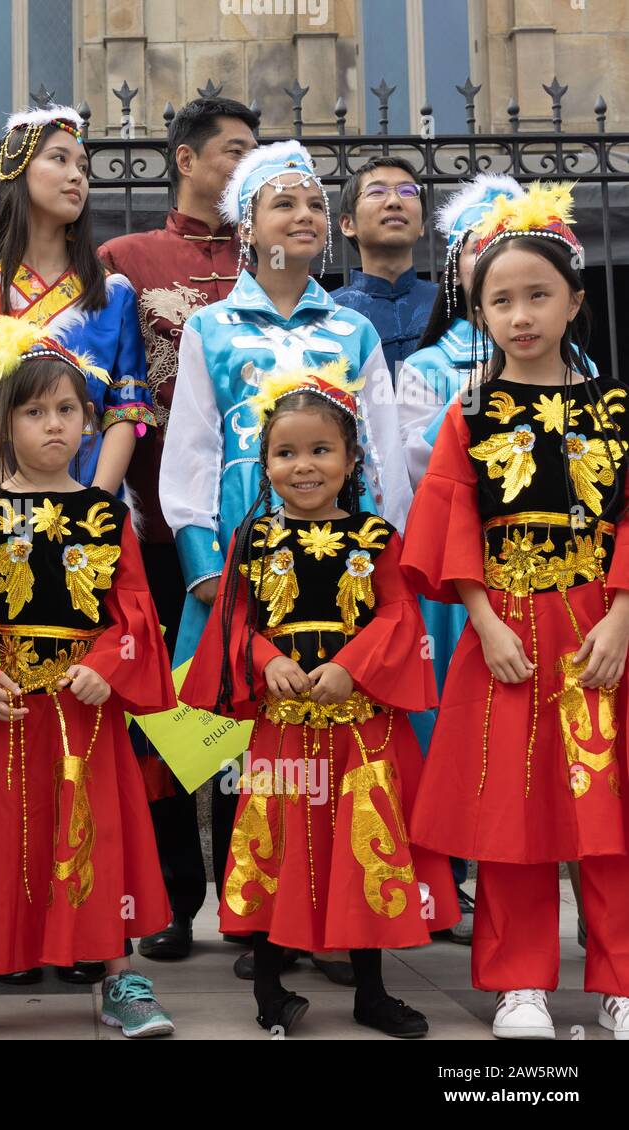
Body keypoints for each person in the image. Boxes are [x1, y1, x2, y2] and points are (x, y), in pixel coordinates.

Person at [158, 140, 413, 983]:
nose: (302, 216)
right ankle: (258, 915)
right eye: (282, 203)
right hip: (242, 557)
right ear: (247, 226)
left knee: (339, 737)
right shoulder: (210, 326)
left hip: (341, 569)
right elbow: (190, 445)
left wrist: (383, 561)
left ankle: (338, 908)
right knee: (237, 732)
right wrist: (204, 560)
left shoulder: (354, 328)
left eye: (312, 203)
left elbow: (380, 453)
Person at [403, 182, 629, 1041]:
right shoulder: (471, 412)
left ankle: (619, 979)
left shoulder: (618, 411)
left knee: (608, 823)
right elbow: (450, 516)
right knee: (511, 818)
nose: (521, 314)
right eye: (501, 299)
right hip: (507, 636)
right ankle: (519, 984)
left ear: (575, 300)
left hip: (601, 634)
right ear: (478, 311)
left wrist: (620, 618)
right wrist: (484, 618)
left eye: (539, 295)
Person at [0, 317, 175, 1039]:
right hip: (0, 716)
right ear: (1, 425)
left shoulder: (104, 515)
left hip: (86, 717)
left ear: (90, 421)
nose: (53, 425)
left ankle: (121, 980)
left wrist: (105, 665)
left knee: (100, 836)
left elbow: (137, 617)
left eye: (67, 410)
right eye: (33, 411)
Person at [182, 361, 458, 1037]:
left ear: (352, 457)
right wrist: (269, 659)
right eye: (285, 453)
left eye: (320, 450)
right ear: (264, 461)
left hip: (360, 733)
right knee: (278, 847)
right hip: (283, 733)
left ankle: (371, 989)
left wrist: (353, 667)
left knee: (363, 850)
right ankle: (270, 991)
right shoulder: (253, 540)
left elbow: (398, 617)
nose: (302, 467)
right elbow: (233, 625)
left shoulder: (375, 539)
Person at [97, 95, 258, 960]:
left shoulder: (269, 258)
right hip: (149, 526)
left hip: (247, 526)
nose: (246, 168)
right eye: (232, 152)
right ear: (185, 159)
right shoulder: (124, 260)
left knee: (240, 706)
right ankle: (167, 893)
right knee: (156, 709)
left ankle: (242, 889)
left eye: (255, 154)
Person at [397, 174, 525, 945]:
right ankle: (439, 879)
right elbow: (423, 477)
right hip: (461, 585)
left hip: (556, 584)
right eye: (484, 246)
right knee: (447, 732)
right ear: (460, 271)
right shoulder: (432, 370)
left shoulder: (582, 374)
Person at [0, 105, 155, 506]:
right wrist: (8, 494)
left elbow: (126, 409)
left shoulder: (113, 293)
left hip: (92, 491)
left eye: (83, 167)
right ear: (17, 170)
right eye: (59, 159)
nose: (76, 176)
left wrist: (96, 504)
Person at [331, 157, 438, 374]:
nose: (394, 202)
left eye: (408, 191)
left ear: (422, 226)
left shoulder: (451, 306)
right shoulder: (329, 312)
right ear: (348, 224)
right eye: (376, 192)